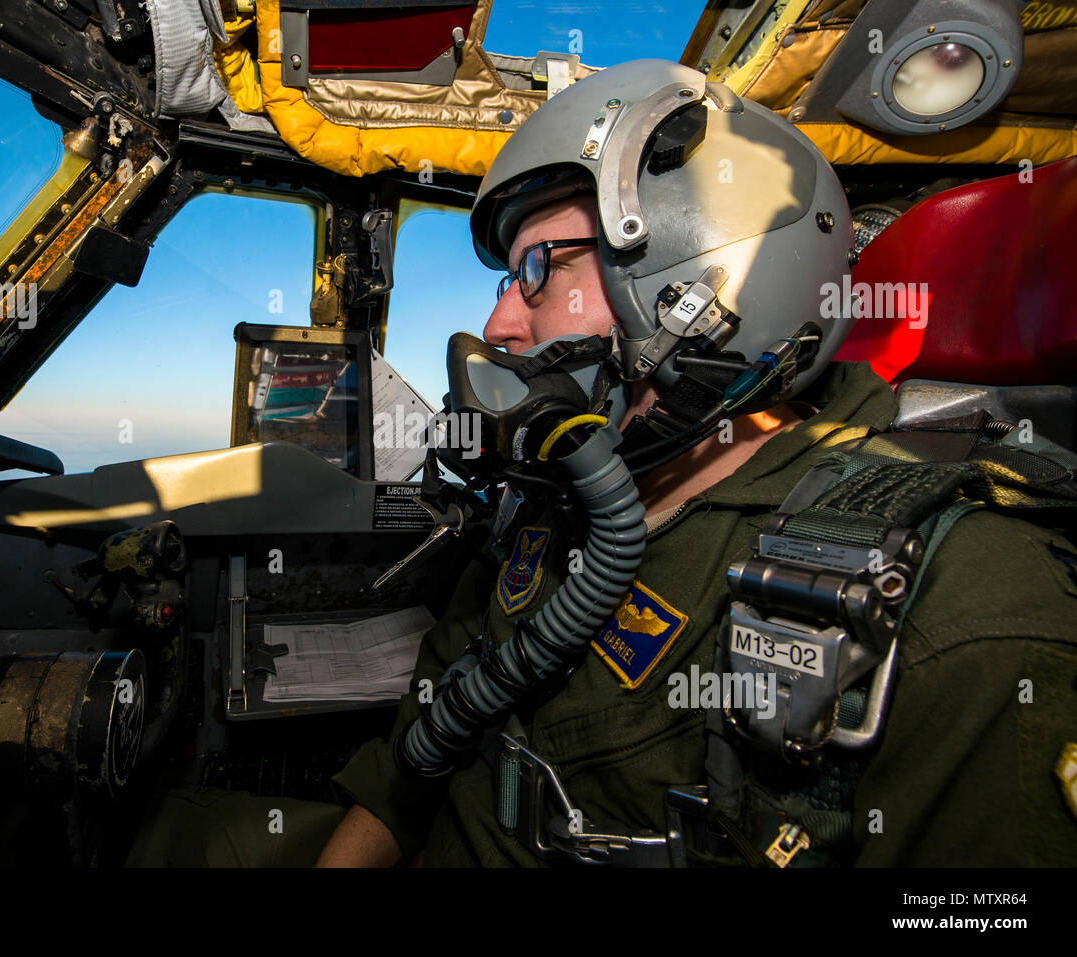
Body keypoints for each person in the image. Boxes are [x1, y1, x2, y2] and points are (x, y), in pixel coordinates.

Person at [315, 59, 1077, 867]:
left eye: (540, 269)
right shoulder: (547, 502)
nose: (499, 322)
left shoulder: (960, 611)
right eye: (509, 276)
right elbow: (417, 755)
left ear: (700, 288)